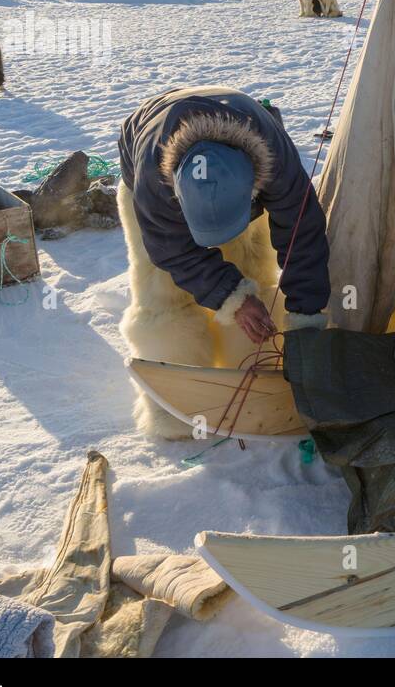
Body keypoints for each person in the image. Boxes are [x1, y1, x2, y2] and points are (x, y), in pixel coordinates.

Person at [116, 86, 330, 435]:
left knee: (253, 279)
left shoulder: (278, 162)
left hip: (247, 174)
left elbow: (302, 236)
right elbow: (171, 249)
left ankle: (249, 370)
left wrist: (306, 318)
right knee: (164, 295)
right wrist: (230, 296)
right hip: (155, 184)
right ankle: (172, 409)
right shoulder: (153, 180)